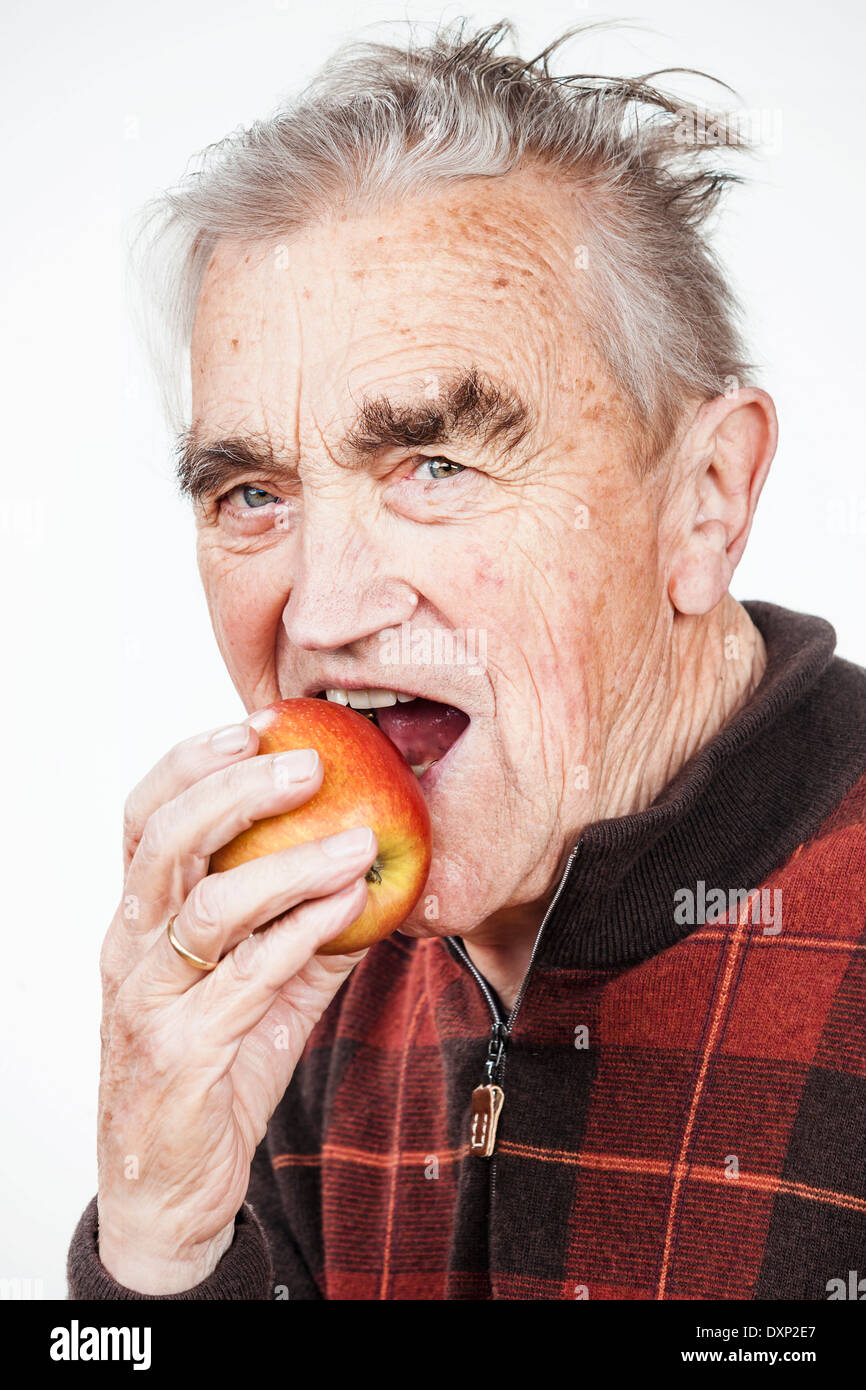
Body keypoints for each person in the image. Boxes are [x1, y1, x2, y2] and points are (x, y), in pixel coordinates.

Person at [67, 19, 866, 1300]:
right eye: (251, 494)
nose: (320, 611)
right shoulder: (284, 990)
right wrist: (161, 1250)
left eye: (434, 465)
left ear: (705, 498)